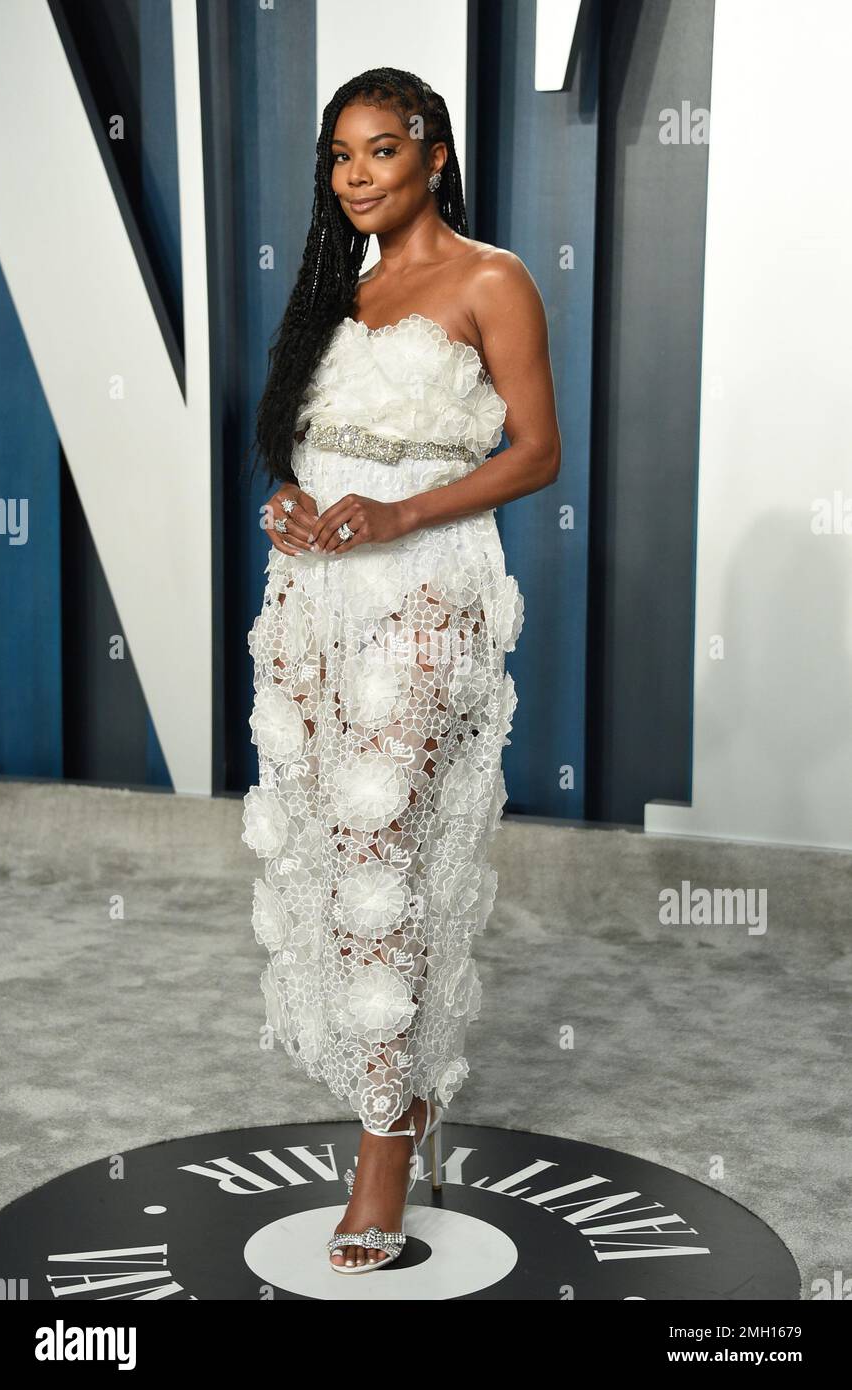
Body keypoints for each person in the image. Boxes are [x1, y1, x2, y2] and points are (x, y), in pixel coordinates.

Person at [243, 66, 561, 1274]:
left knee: (386, 847)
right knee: (326, 844)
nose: (356, 176)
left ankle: (386, 1144)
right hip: (314, 598)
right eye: (339, 158)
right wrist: (294, 500)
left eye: (380, 150)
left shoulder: (493, 279)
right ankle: (397, 1092)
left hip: (425, 593)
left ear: (431, 151)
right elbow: (314, 447)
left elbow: (537, 453)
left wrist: (401, 513)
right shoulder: (347, 287)